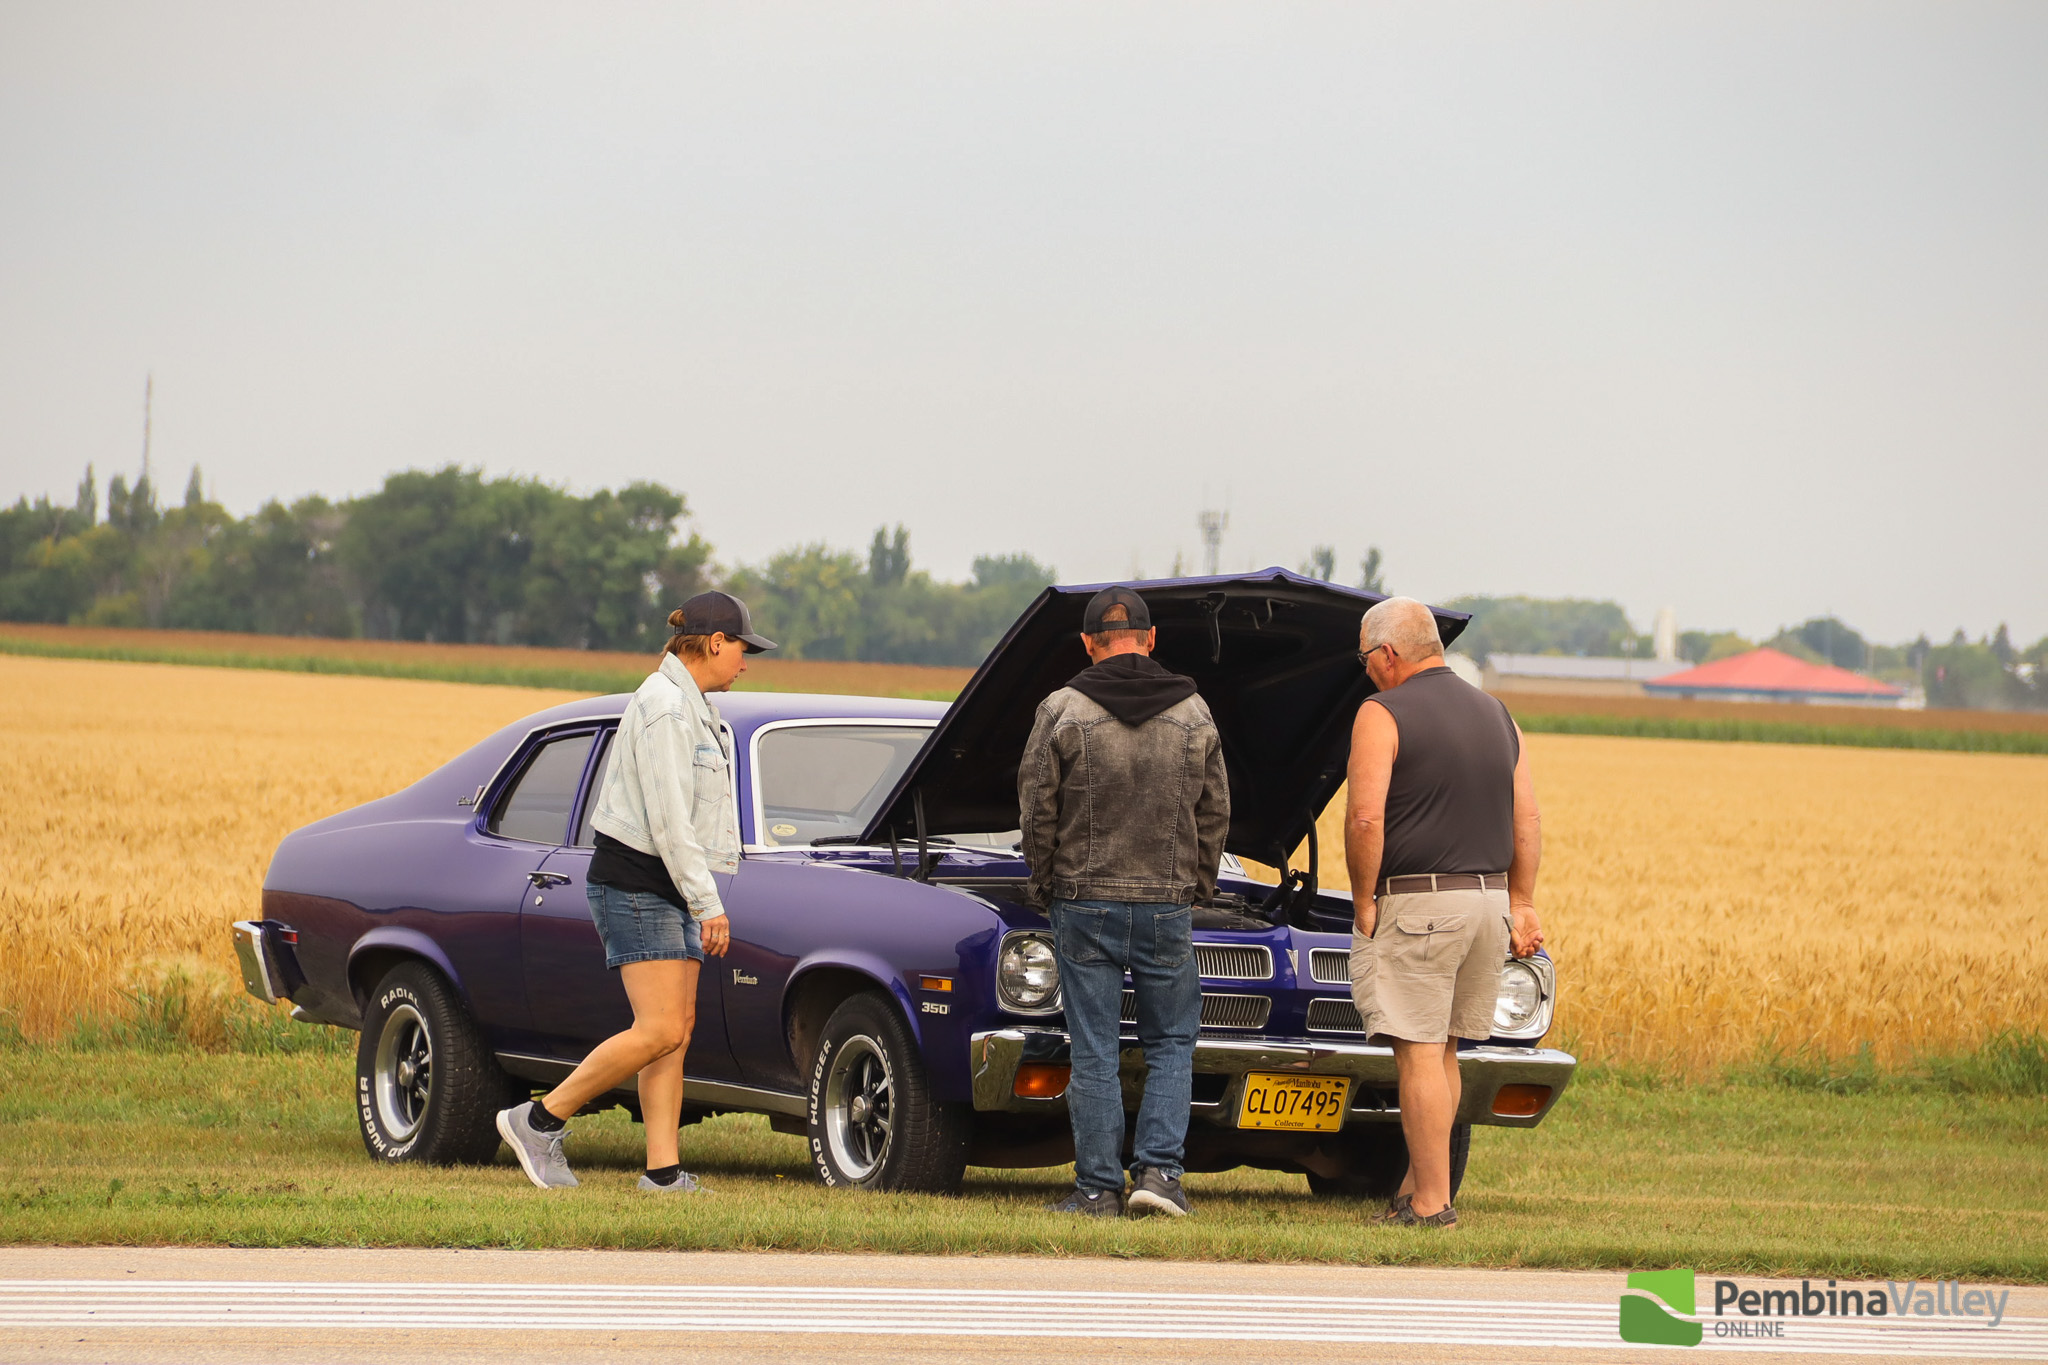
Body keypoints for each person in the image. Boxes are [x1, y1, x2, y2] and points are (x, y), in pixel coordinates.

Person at [496, 591, 776, 1191]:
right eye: (743, 649)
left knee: (675, 1032)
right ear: (716, 643)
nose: (746, 663)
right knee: (658, 1029)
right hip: (638, 883)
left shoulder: (694, 708)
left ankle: (663, 1173)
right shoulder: (665, 709)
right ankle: (539, 1120)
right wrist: (709, 904)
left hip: (666, 883)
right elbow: (671, 821)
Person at [1018, 586, 1230, 1218]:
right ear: (1152, 638)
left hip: (1083, 902)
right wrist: (1200, 883)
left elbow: (1036, 807)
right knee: (1171, 1042)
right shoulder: (1194, 714)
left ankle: (1097, 1188)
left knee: (1094, 1048)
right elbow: (1215, 809)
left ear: (1088, 644)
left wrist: (1043, 880)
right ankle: (1160, 1176)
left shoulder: (1061, 709)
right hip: (1167, 903)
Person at [1344, 596, 1544, 1228]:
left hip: (1422, 901)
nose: (1366, 671)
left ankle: (1433, 1203)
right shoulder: (1497, 714)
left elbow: (1366, 816)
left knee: (1419, 1053)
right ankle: (1415, 1187)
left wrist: (1362, 896)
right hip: (1490, 902)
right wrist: (1523, 900)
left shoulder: (1381, 712)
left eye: (1364, 659)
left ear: (1386, 653)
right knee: (1448, 1050)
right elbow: (1528, 817)